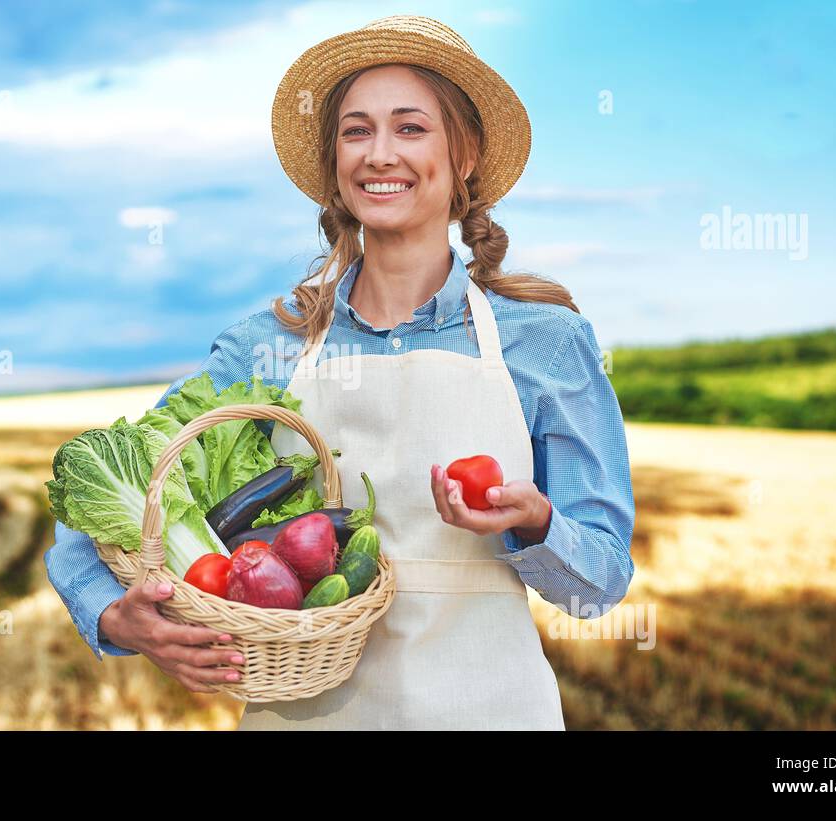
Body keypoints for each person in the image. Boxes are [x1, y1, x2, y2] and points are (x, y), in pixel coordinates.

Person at [45, 15, 635, 730]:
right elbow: (114, 481)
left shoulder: (544, 341)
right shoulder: (267, 345)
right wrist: (113, 614)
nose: (380, 154)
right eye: (357, 131)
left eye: (410, 128)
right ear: (334, 161)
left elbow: (597, 585)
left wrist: (535, 522)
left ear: (465, 152)